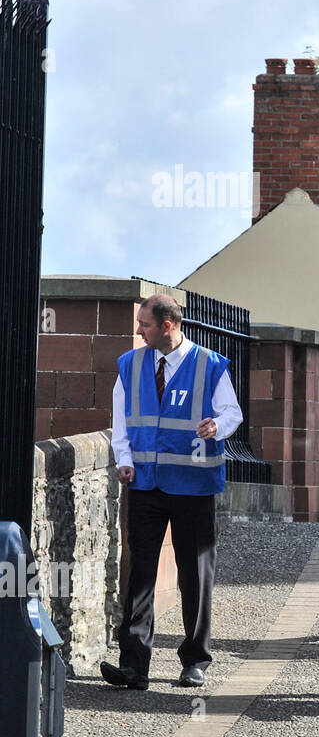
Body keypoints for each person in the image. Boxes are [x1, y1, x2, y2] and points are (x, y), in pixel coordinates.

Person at [101, 294, 243, 691]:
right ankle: (133, 665)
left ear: (167, 326)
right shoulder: (130, 365)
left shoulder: (210, 364)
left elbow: (232, 413)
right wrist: (124, 458)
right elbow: (121, 418)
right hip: (145, 482)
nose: (137, 330)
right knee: (140, 573)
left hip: (194, 486)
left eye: (144, 323)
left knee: (195, 575)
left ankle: (195, 661)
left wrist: (217, 426)